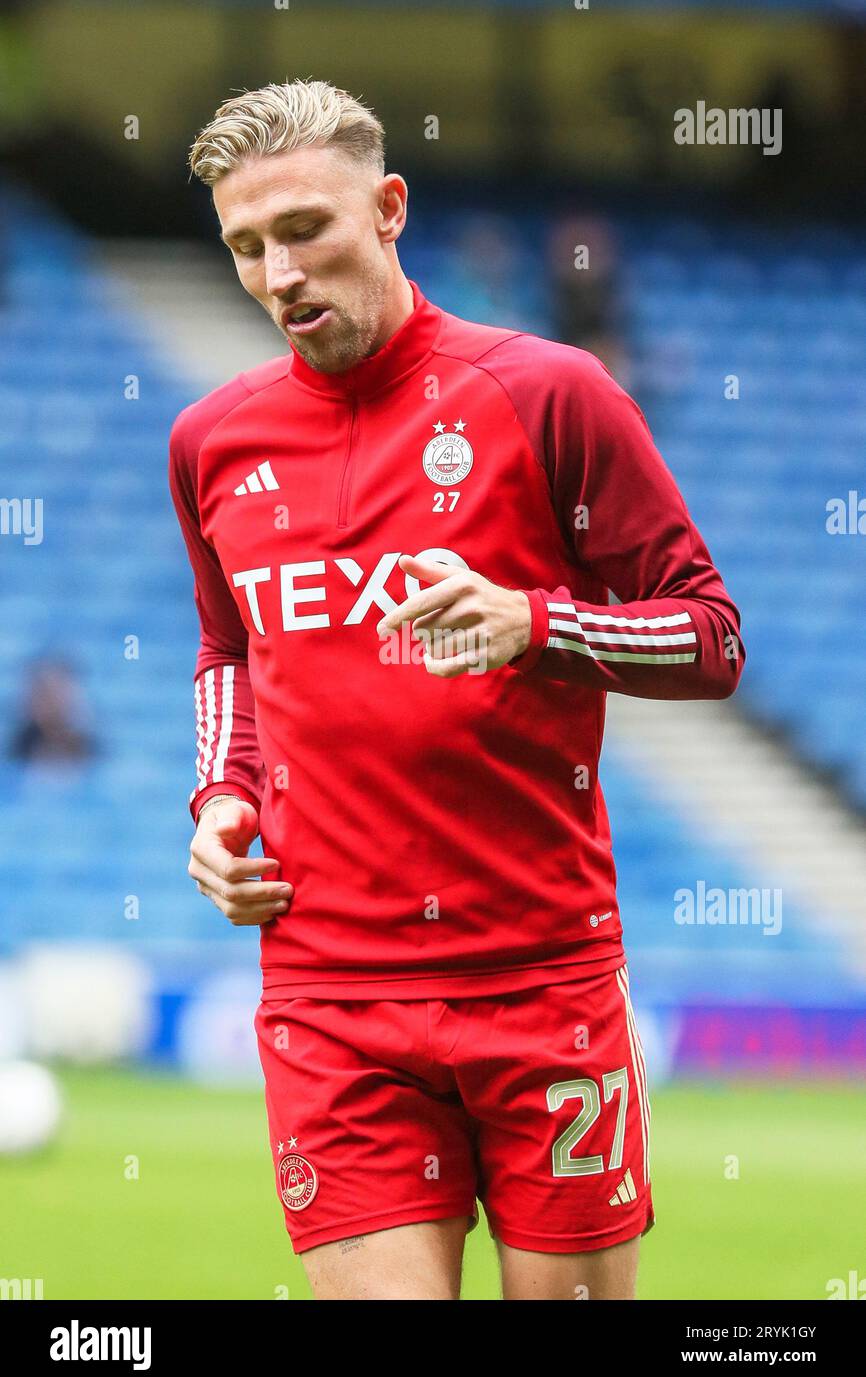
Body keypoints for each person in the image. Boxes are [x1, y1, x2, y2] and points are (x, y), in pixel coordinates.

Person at [170, 79, 744, 1301]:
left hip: (538, 977)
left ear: (388, 208)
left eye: (304, 229)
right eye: (244, 246)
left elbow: (707, 640)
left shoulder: (548, 394)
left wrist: (537, 621)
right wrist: (218, 803)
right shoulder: (211, 441)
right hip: (326, 989)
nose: (278, 273)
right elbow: (231, 654)